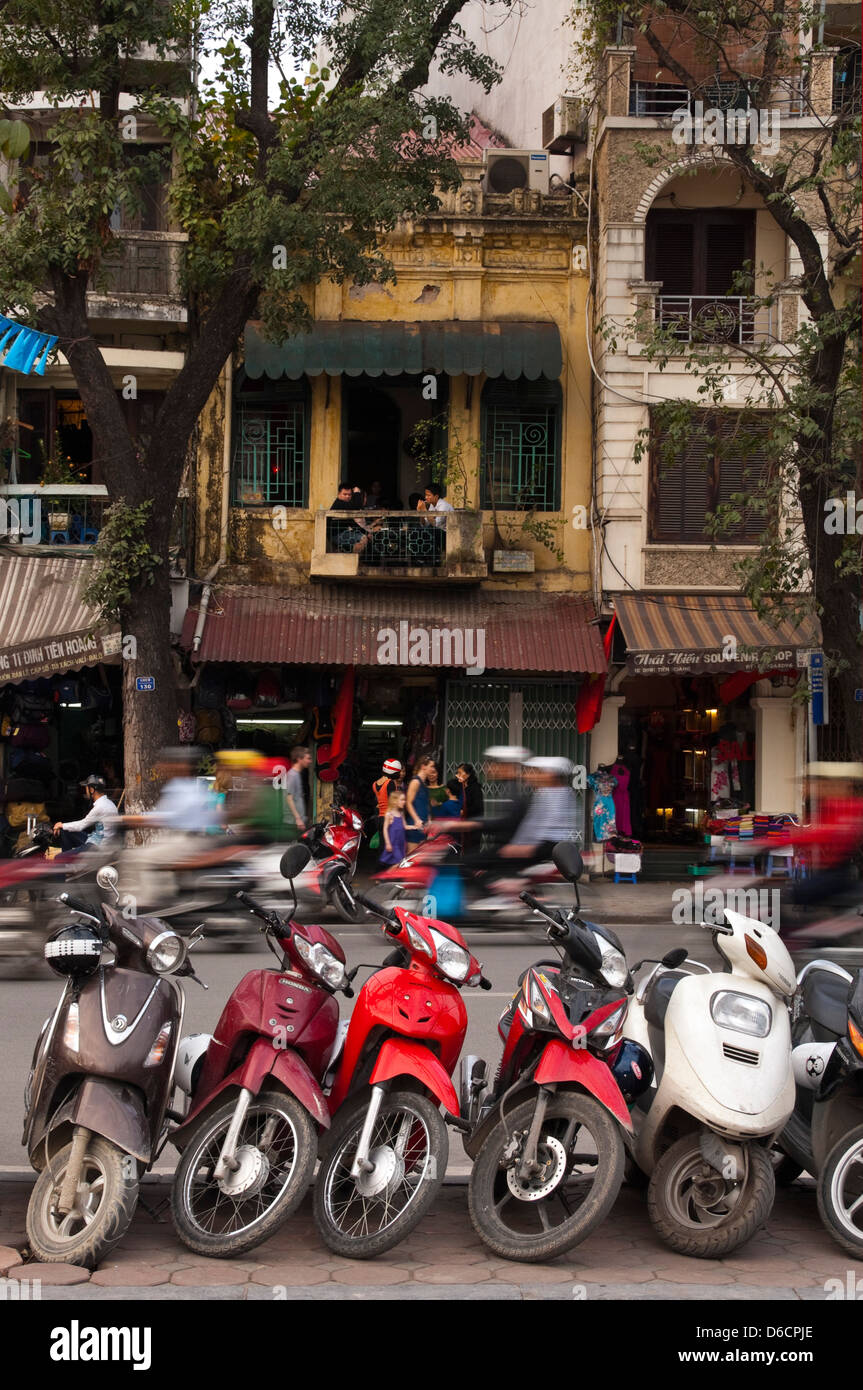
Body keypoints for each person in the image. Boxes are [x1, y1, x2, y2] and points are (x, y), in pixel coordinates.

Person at [53, 775, 119, 852]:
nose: (85, 791)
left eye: (86, 788)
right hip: (97, 840)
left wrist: (61, 825)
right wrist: (63, 827)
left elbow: (81, 825)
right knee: (65, 830)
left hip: (98, 847)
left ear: (91, 790)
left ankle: (67, 859)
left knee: (59, 858)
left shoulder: (100, 807)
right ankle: (69, 858)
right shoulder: (109, 803)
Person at [328, 482, 382, 555]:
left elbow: (352, 523)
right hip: (337, 535)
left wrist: (367, 533)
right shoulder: (339, 503)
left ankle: (353, 557)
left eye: (349, 494)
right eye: (344, 494)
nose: (347, 496)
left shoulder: (346, 507)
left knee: (366, 538)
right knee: (362, 538)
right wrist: (357, 492)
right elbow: (357, 507)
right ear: (339, 494)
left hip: (344, 534)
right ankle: (352, 559)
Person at [405, 753, 435, 843]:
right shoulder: (415, 782)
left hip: (423, 825)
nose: (433, 769)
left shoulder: (424, 784)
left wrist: (429, 820)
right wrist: (416, 819)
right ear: (423, 766)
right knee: (413, 854)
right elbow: (408, 803)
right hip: (415, 825)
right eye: (431, 766)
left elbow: (426, 804)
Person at [285, 745, 311, 839]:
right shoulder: (292, 775)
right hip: (294, 823)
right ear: (299, 759)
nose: (310, 761)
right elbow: (289, 798)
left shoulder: (297, 774)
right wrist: (298, 819)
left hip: (298, 822)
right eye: (308, 758)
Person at [372, 758, 403, 839]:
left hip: (379, 818)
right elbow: (393, 802)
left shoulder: (375, 784)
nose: (399, 774)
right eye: (398, 772)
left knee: (383, 845)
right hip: (390, 818)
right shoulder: (390, 783)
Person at [456, 763, 484, 851]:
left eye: (460, 773)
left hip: (473, 826)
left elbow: (477, 806)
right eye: (458, 773)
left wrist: (464, 811)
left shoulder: (475, 788)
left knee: (471, 850)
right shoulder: (462, 787)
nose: (458, 775)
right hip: (463, 825)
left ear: (468, 775)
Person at [380, 789, 407, 866]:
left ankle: (385, 877)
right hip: (393, 843)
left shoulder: (401, 813)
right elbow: (385, 829)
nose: (404, 802)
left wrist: (416, 826)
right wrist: (388, 843)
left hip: (401, 843)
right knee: (400, 862)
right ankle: (383, 877)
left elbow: (405, 826)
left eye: (404, 800)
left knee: (398, 862)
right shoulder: (389, 814)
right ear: (395, 801)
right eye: (402, 800)